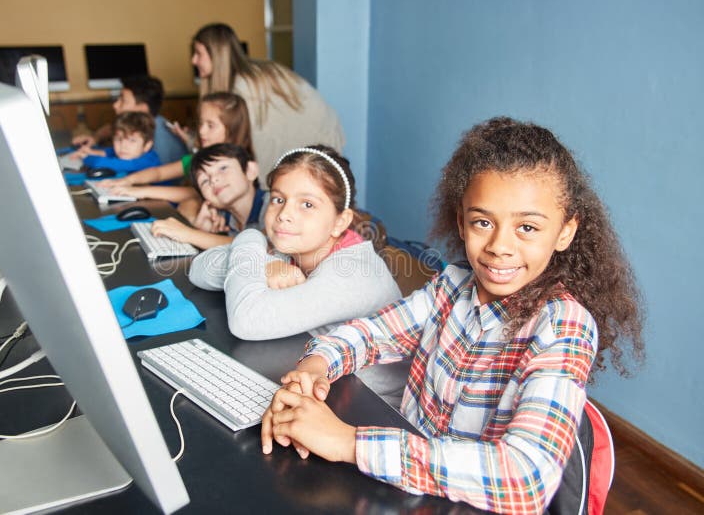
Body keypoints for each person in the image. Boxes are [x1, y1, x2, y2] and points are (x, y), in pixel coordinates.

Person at [260, 118, 645, 514]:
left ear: (565, 232)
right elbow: (373, 333)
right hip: (406, 489)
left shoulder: (564, 326)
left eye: (527, 227)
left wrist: (346, 443)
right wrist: (316, 364)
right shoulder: (453, 285)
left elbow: (524, 479)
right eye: (483, 222)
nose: (499, 246)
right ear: (461, 221)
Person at [188, 145, 401, 341]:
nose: (284, 214)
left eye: (307, 204)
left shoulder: (352, 274)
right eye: (278, 199)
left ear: (340, 222)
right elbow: (199, 270)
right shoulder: (296, 247)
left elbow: (246, 320)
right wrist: (261, 260)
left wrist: (248, 239)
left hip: (360, 382)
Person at [191, 23, 345, 184]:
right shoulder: (255, 71)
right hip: (324, 136)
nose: (193, 60)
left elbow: (258, 143)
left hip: (319, 140)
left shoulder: (243, 88)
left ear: (217, 55)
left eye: (198, 53)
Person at [100, 92, 253, 211]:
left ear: (232, 130)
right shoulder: (198, 158)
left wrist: (140, 191)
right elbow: (159, 172)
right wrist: (128, 181)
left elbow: (195, 194)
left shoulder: (239, 167)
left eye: (210, 125)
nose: (201, 131)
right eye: (200, 123)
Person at [150, 143, 264, 250]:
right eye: (204, 181)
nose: (213, 179)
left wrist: (191, 234)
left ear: (250, 170)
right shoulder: (224, 216)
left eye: (223, 168)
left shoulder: (274, 204)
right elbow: (185, 205)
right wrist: (200, 227)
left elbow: (260, 247)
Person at [73, 75, 187, 166]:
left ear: (142, 109)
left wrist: (88, 157)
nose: (115, 105)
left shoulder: (161, 141)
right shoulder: (149, 123)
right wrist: (95, 138)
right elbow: (111, 128)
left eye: (123, 101)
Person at [73, 112, 160, 173]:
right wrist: (90, 151)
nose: (123, 146)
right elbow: (110, 152)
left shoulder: (147, 161)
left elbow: (99, 163)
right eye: (118, 139)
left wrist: (85, 157)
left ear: (147, 146)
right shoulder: (131, 153)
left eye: (132, 140)